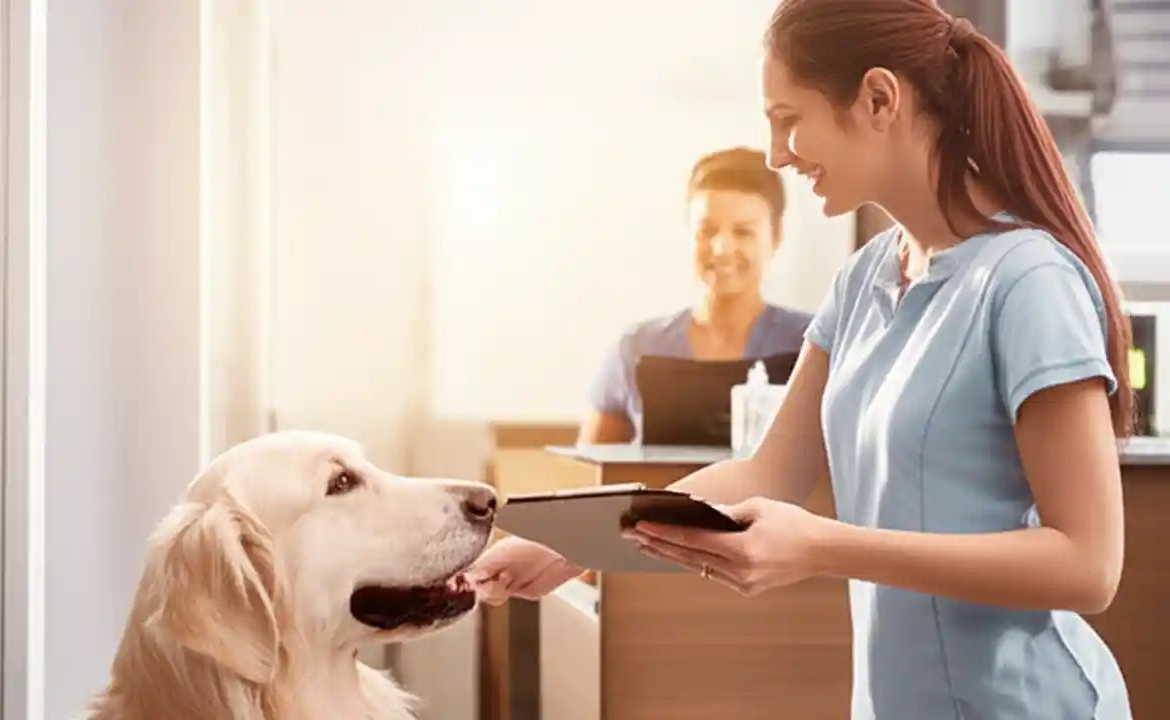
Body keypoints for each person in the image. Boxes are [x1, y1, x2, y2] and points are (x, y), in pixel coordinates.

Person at [467, 1, 1136, 717]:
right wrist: (573, 546)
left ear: (879, 99)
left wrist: (825, 548)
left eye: (789, 118)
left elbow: (1087, 566)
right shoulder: (866, 279)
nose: (777, 153)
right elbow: (768, 473)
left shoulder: (1029, 283)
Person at [578, 147, 812, 444]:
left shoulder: (813, 345)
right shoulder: (636, 349)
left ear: (776, 235)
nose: (722, 248)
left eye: (743, 232)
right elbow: (595, 476)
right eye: (707, 230)